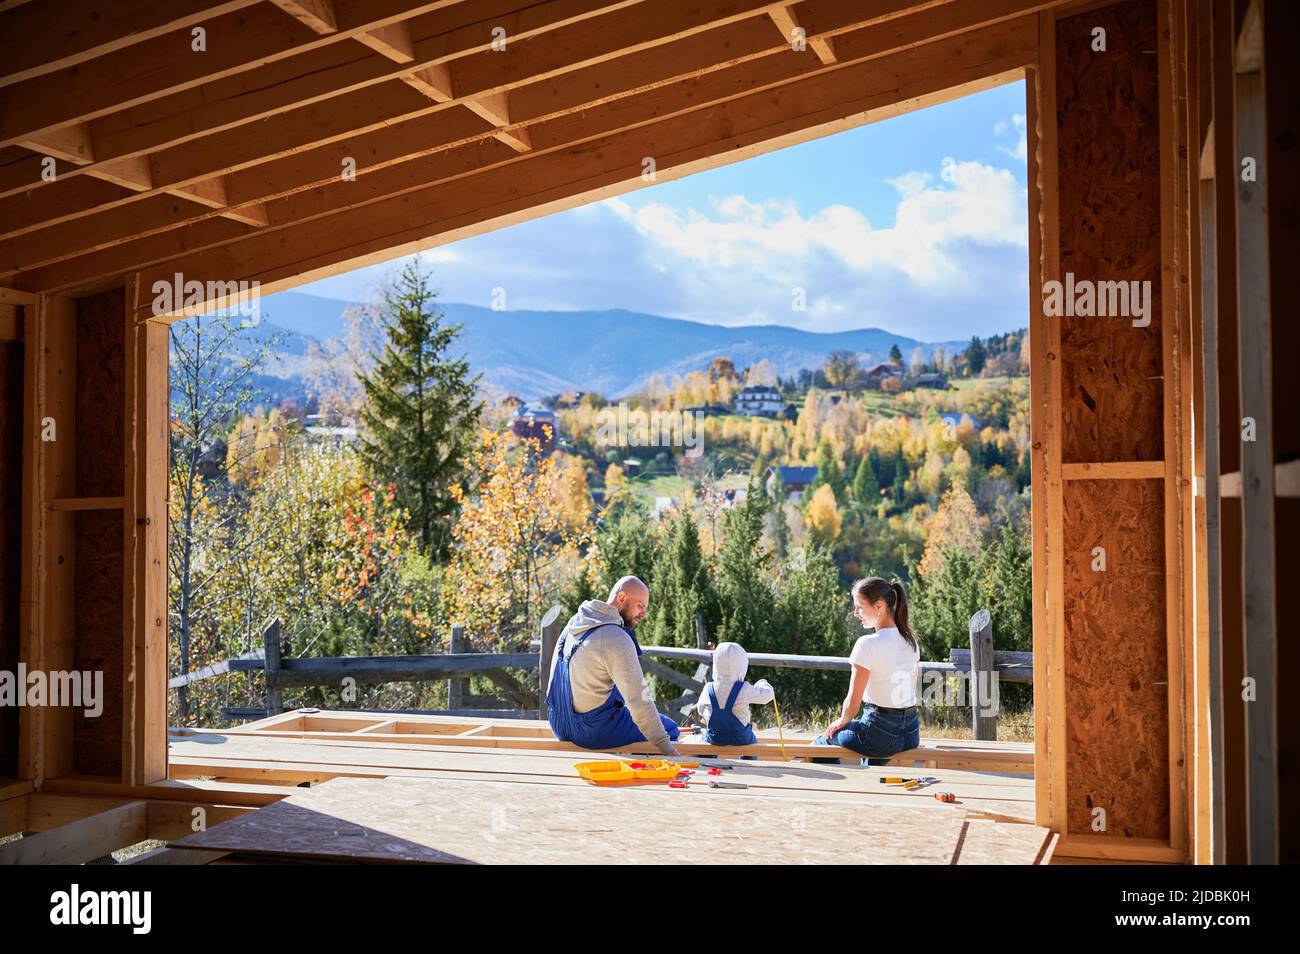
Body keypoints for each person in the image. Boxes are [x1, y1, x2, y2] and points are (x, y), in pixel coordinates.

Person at [545, 576, 682, 755]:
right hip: (593, 731)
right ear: (622, 598)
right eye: (640, 606)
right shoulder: (615, 637)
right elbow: (639, 701)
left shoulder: (573, 625)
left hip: (557, 723)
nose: (644, 614)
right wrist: (668, 749)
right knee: (669, 729)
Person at [813, 577, 920, 765]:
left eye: (859, 607)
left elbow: (853, 702)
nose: (856, 613)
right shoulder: (911, 641)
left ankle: (833, 791)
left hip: (880, 735)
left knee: (821, 743)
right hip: (911, 732)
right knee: (872, 752)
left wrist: (841, 722)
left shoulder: (867, 644)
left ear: (879, 606)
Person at [694, 641, 774, 746]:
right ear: (741, 665)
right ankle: (749, 759)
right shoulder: (743, 689)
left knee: (704, 738)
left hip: (715, 737)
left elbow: (700, 710)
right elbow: (766, 696)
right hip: (741, 738)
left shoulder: (708, 688)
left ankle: (705, 760)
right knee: (752, 742)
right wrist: (763, 684)